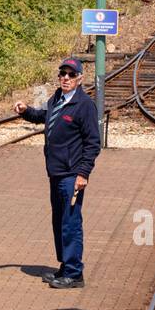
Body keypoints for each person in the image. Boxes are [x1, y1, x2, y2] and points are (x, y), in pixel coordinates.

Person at [12, 57, 101, 288]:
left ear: (80, 78)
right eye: (63, 74)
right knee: (59, 221)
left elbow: (93, 143)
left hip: (72, 174)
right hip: (55, 171)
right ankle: (65, 265)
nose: (66, 78)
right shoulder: (58, 98)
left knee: (70, 223)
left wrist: (83, 174)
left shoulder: (84, 105)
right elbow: (45, 117)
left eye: (71, 75)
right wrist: (26, 111)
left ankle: (74, 273)